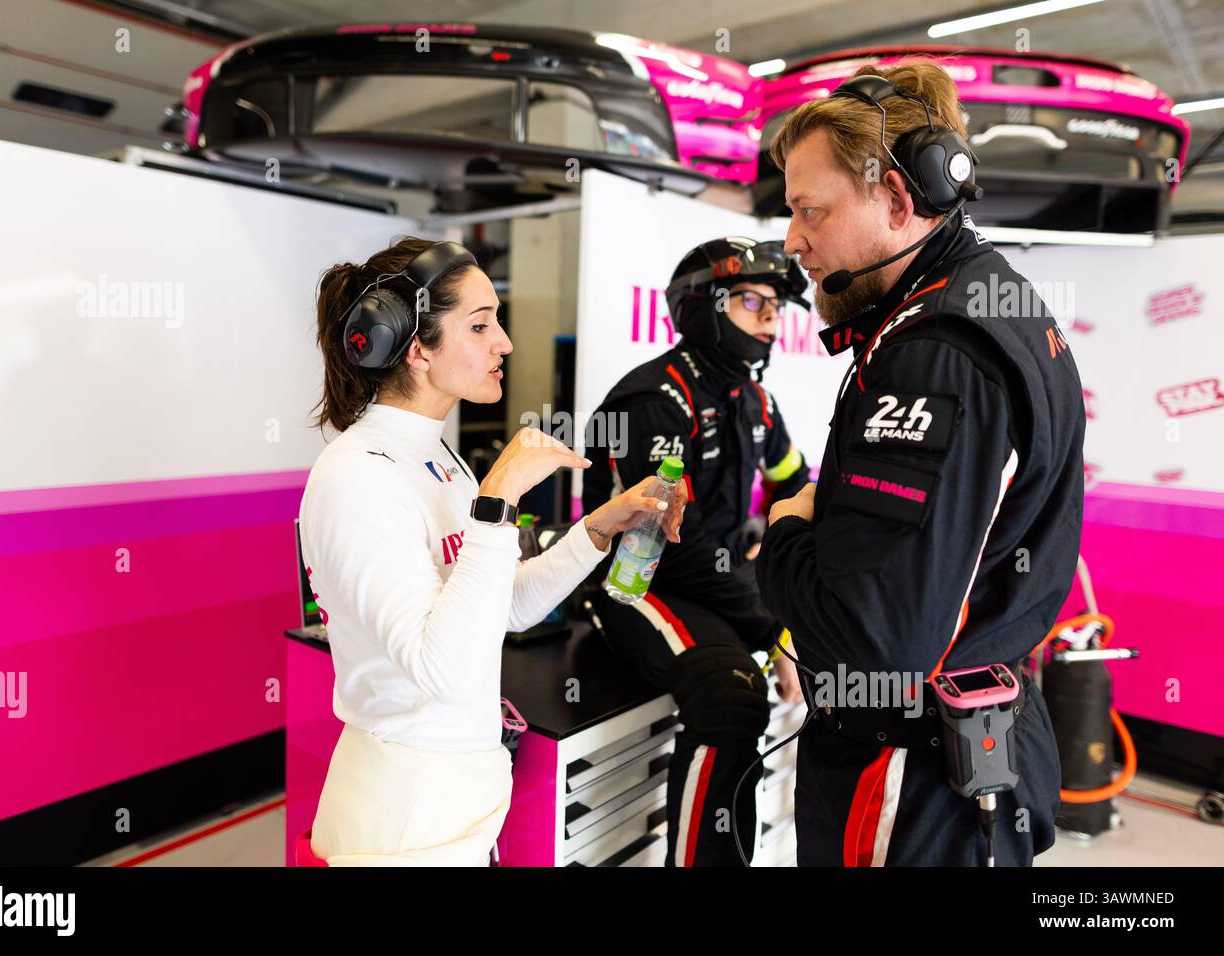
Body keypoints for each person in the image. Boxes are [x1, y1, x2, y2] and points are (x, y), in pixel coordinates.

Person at [755, 60, 1085, 866]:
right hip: (966, 762)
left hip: (906, 783)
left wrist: (786, 534)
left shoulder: (937, 354)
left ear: (899, 202)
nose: (793, 240)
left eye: (809, 210)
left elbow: (877, 639)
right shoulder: (990, 301)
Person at [299, 237, 684, 865]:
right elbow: (442, 669)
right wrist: (497, 498)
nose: (504, 343)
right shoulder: (356, 475)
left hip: (458, 792)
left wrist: (600, 528)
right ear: (416, 347)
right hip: (404, 810)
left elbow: (501, 608)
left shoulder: (439, 459)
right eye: (480, 326)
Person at [580, 237, 813, 866]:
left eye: (775, 307)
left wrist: (784, 559)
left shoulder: (755, 399)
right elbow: (674, 551)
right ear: (702, 307)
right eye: (751, 301)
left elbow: (797, 488)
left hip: (718, 585)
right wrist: (777, 629)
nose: (770, 319)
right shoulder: (655, 401)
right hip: (636, 585)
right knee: (730, 696)